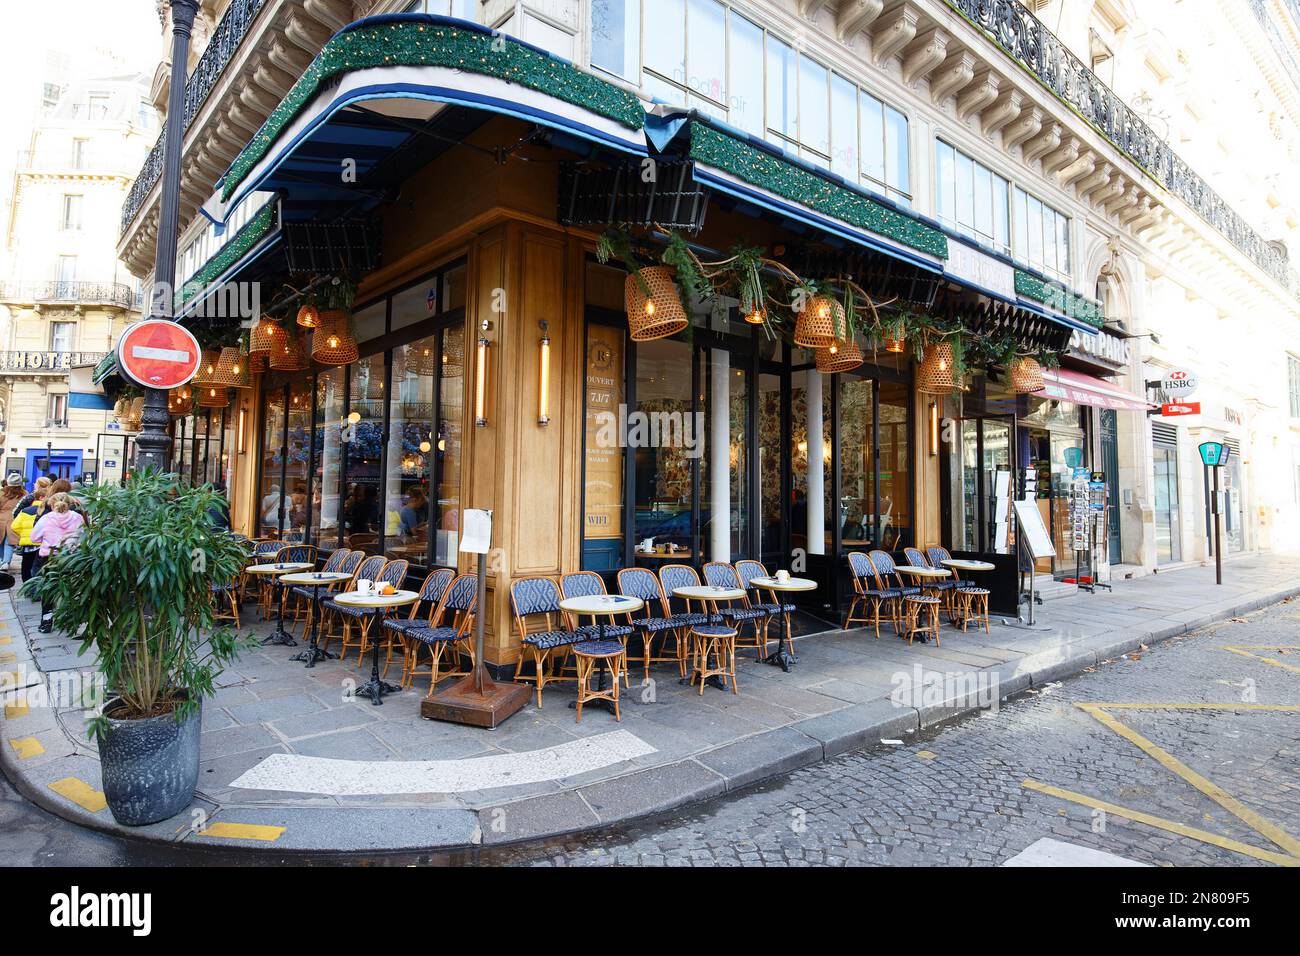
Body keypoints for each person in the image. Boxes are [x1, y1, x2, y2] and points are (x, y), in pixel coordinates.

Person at [29, 492, 85, 633]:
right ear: (70, 503)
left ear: (52, 504)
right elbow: (85, 537)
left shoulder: (46, 518)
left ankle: (46, 622)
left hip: (49, 559)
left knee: (48, 589)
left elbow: (34, 537)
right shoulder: (78, 518)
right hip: (71, 558)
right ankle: (68, 621)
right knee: (69, 588)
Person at [0, 476, 25, 570]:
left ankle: (2, 560)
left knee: (0, 542)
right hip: (15, 520)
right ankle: (6, 562)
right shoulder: (23, 494)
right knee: (9, 542)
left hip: (1, 519)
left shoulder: (2, 493)